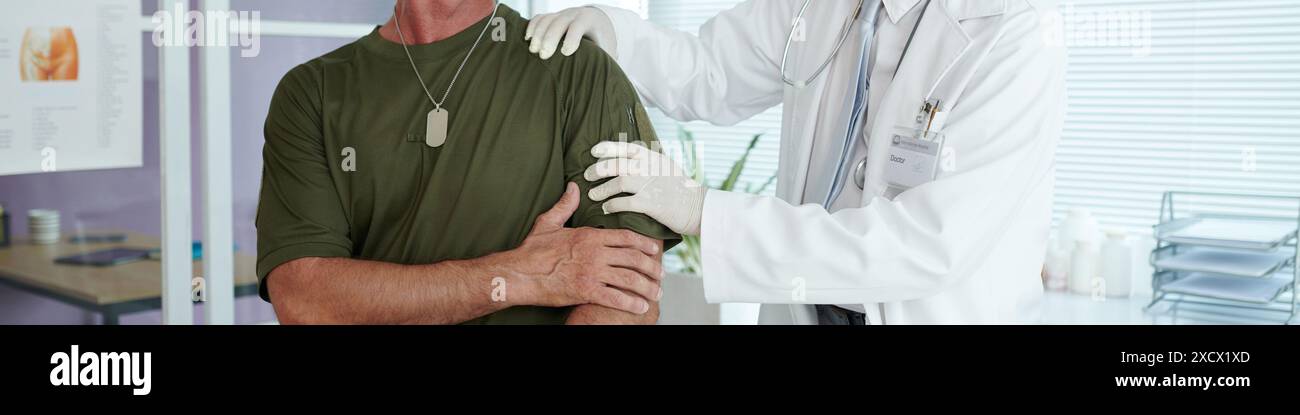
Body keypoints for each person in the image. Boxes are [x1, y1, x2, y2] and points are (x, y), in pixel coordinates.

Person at [525, 0, 1065, 324]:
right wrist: (614, 31)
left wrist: (703, 212)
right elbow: (710, 71)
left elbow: (925, 245)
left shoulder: (1012, 29)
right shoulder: (823, 6)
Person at [256, 0, 678, 324]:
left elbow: (627, 298)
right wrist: (515, 277)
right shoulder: (313, 91)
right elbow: (302, 298)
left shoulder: (580, 73)